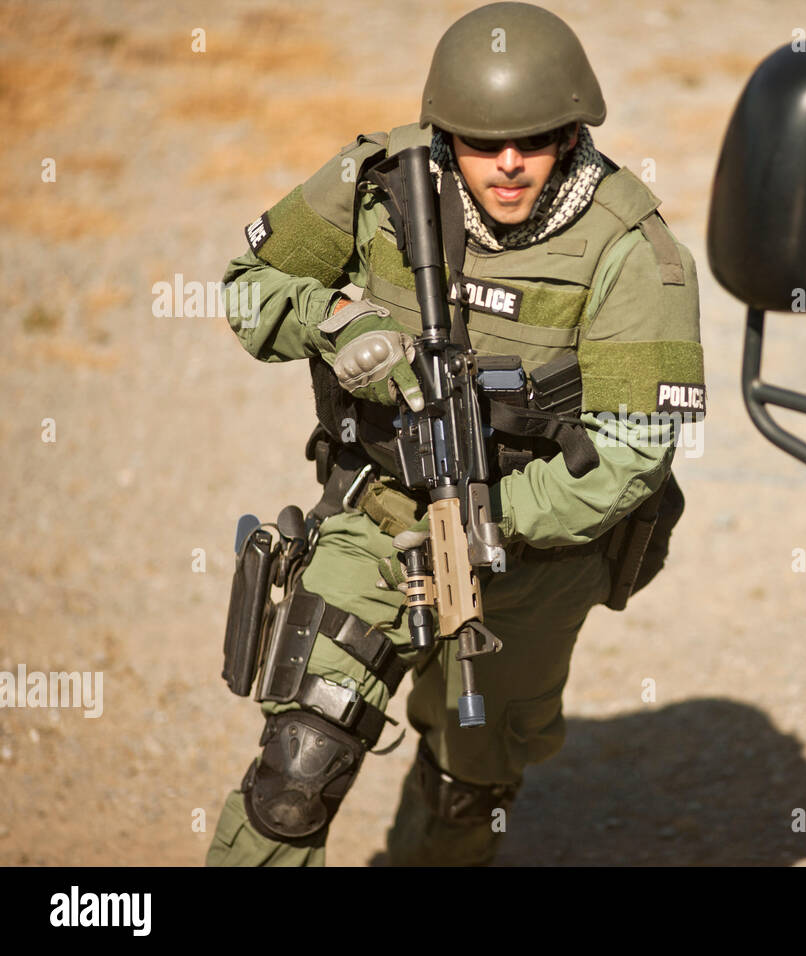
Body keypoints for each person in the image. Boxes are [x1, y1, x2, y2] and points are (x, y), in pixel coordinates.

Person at [207, 1, 704, 866]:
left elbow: (632, 450)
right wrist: (331, 321)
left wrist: (487, 522)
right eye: (481, 142)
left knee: (469, 783)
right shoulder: (374, 183)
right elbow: (248, 288)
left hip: (533, 556)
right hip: (379, 511)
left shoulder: (633, 250)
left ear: (574, 131)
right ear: (445, 134)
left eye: (537, 139)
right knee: (297, 768)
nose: (509, 164)